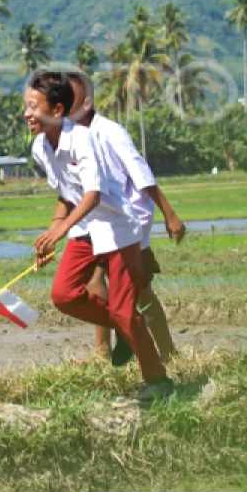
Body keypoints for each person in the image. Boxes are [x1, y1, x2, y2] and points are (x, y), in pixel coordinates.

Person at [24, 70, 174, 405]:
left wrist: (61, 231)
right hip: (83, 228)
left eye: (34, 107)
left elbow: (92, 194)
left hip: (115, 227)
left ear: (57, 110)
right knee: (64, 295)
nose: (27, 114)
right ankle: (129, 327)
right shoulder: (40, 148)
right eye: (26, 106)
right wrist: (52, 229)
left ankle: (159, 380)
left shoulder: (83, 138)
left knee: (124, 308)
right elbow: (67, 194)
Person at [65, 70, 186, 364]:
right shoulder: (72, 135)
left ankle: (163, 351)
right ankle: (109, 346)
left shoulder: (110, 132)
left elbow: (141, 174)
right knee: (99, 280)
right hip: (104, 217)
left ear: (87, 102)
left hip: (131, 215)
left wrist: (169, 214)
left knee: (136, 288)